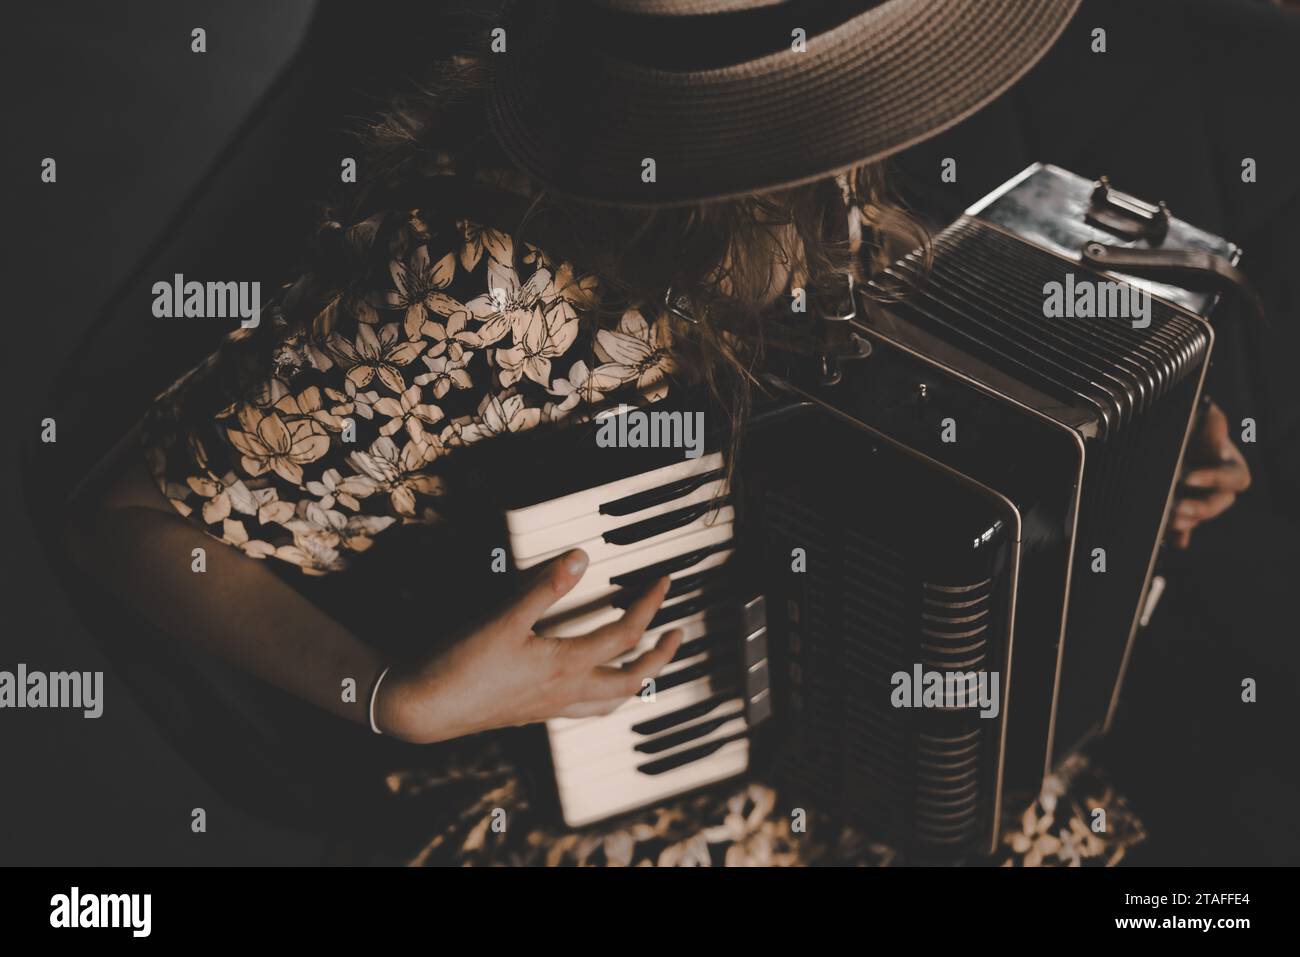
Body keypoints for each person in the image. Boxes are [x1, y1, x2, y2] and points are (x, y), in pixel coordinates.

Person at [67, 0, 1181, 864]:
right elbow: (127, 520)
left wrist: (1109, 468)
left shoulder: (824, 147)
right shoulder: (479, 283)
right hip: (586, 803)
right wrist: (396, 699)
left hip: (850, 719)